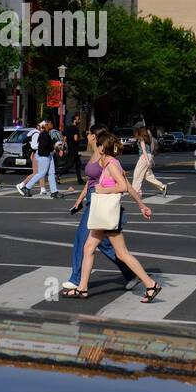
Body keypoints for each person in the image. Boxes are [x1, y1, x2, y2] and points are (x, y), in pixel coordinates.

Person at [68, 128, 159, 302]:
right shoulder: (106, 162)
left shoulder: (111, 164)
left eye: (99, 144)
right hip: (102, 214)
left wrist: (103, 189)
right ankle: (82, 288)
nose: (97, 146)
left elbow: (124, 187)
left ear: (104, 147)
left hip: (108, 215)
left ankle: (150, 284)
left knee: (122, 254)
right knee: (89, 248)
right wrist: (142, 205)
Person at [62, 124, 137, 295]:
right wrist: (79, 200)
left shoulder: (105, 155)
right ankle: (131, 273)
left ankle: (76, 279)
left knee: (82, 237)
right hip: (91, 199)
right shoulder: (95, 152)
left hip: (101, 200)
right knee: (103, 243)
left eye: (88, 133)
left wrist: (140, 203)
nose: (86, 135)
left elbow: (121, 180)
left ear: (94, 136)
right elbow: (90, 180)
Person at [132, 123, 168, 196]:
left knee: (137, 174)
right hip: (148, 156)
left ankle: (136, 192)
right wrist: (151, 159)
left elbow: (144, 150)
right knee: (148, 176)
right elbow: (149, 149)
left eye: (135, 130)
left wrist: (148, 161)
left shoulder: (141, 138)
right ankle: (162, 187)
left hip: (144, 157)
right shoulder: (146, 137)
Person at [16, 122, 45, 196]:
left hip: (37, 154)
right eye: (44, 127)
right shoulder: (36, 134)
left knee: (40, 172)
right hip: (36, 154)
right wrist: (42, 145)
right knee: (36, 173)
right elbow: (34, 146)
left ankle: (42, 189)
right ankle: (21, 185)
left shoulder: (36, 133)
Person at [66, 117, 86, 184]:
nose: (79, 121)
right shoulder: (75, 128)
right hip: (74, 149)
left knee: (78, 165)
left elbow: (64, 138)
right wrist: (80, 139)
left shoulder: (68, 128)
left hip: (70, 148)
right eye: (78, 119)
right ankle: (58, 175)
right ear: (74, 120)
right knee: (70, 164)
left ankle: (80, 180)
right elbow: (75, 139)